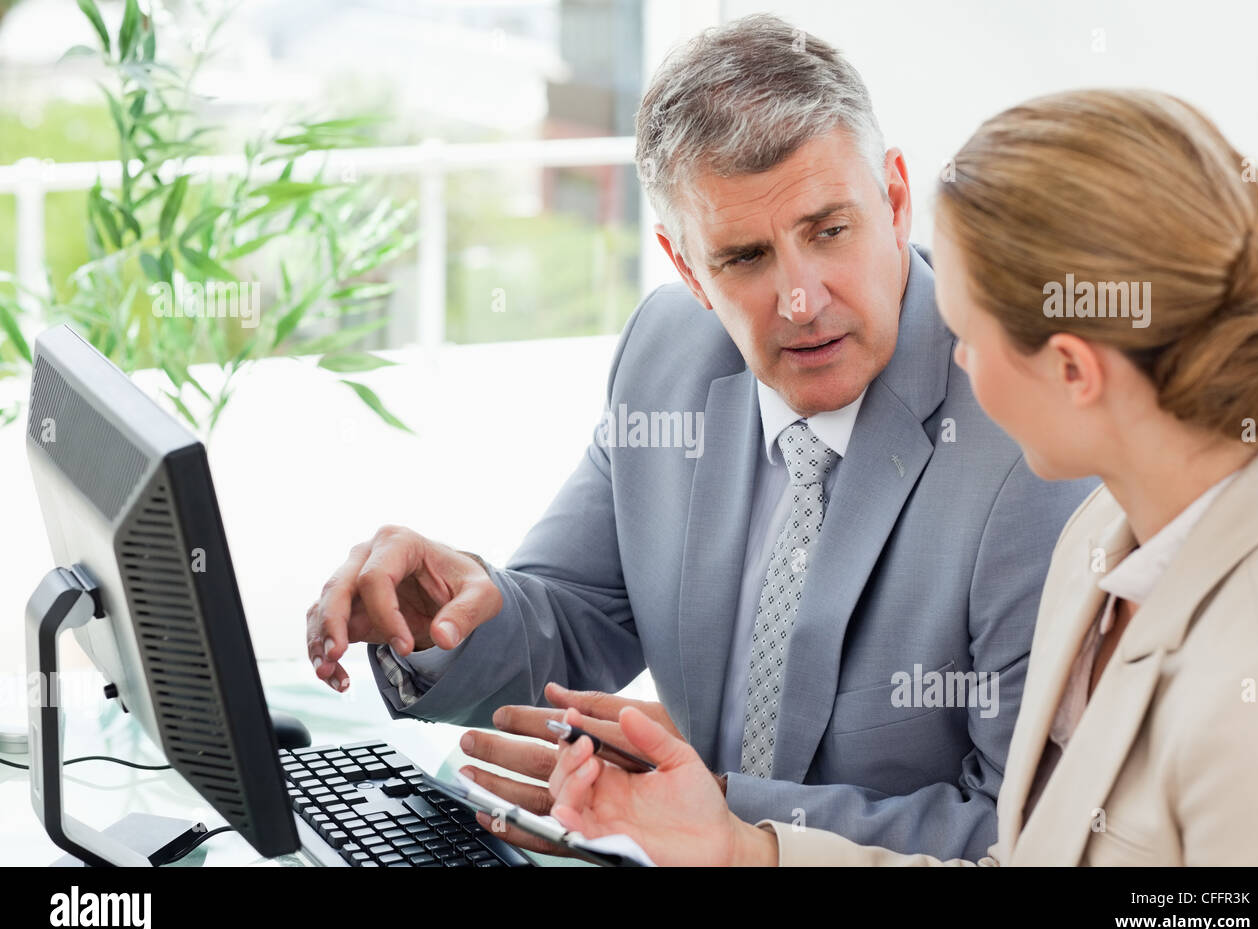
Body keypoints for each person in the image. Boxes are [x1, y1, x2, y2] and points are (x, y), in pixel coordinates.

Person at [303, 14, 1095, 860]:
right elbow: (572, 622)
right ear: (685, 266)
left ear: (895, 200)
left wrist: (716, 819)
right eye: (744, 258)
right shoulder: (667, 354)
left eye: (830, 231)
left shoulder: (1026, 435)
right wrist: (442, 623)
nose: (800, 299)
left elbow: (1024, 832)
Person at [545, 87, 1258, 866]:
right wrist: (745, 850)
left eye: (966, 333)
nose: (952, 360)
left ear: (1072, 369)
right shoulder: (1098, 546)